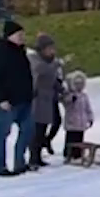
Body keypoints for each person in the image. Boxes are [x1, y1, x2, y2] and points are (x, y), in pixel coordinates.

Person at [0, 18, 35, 177]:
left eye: (23, 34)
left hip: (25, 99)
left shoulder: (21, 52)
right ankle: (1, 167)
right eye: (19, 34)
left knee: (27, 130)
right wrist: (1, 99)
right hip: (7, 102)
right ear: (10, 35)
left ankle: (19, 162)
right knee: (3, 133)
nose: (22, 37)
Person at [29, 33, 63, 161]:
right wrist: (56, 65)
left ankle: (42, 148)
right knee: (38, 129)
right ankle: (34, 157)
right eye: (49, 48)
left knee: (50, 124)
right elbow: (42, 70)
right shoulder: (35, 59)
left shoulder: (52, 62)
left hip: (50, 97)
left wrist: (61, 89)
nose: (52, 51)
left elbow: (54, 78)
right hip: (38, 98)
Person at [61, 71, 95, 162]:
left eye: (81, 84)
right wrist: (71, 98)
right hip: (72, 122)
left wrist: (90, 118)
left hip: (81, 122)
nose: (79, 86)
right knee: (71, 139)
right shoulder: (69, 95)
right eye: (76, 84)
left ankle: (77, 154)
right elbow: (66, 103)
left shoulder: (84, 96)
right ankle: (68, 154)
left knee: (79, 138)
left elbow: (88, 108)